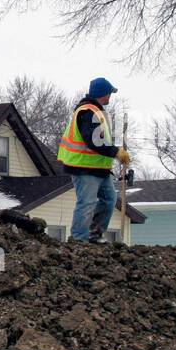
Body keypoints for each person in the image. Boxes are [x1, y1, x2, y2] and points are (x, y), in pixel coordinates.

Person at [57, 77, 131, 242]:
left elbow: (99, 141)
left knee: (109, 199)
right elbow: (94, 142)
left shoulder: (96, 112)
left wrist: (115, 152)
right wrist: (115, 152)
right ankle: (78, 239)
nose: (110, 97)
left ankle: (94, 234)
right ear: (102, 94)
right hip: (83, 167)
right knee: (87, 203)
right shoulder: (87, 111)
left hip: (97, 168)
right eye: (109, 93)